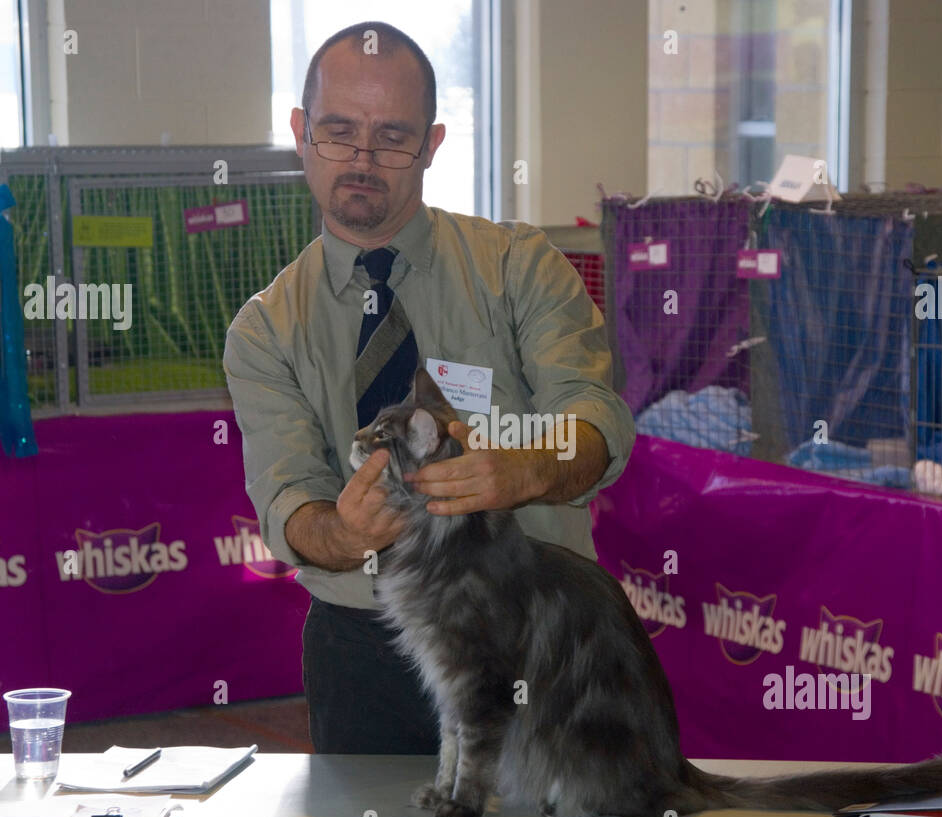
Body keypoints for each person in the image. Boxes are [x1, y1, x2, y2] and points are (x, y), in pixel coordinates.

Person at [222, 20, 635, 755]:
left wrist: (526, 467)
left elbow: (595, 418)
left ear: (433, 145)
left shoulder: (518, 266)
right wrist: (344, 534)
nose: (363, 158)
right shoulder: (265, 329)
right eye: (340, 130)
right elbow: (289, 507)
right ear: (301, 132)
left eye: (393, 136)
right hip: (364, 649)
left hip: (534, 629)